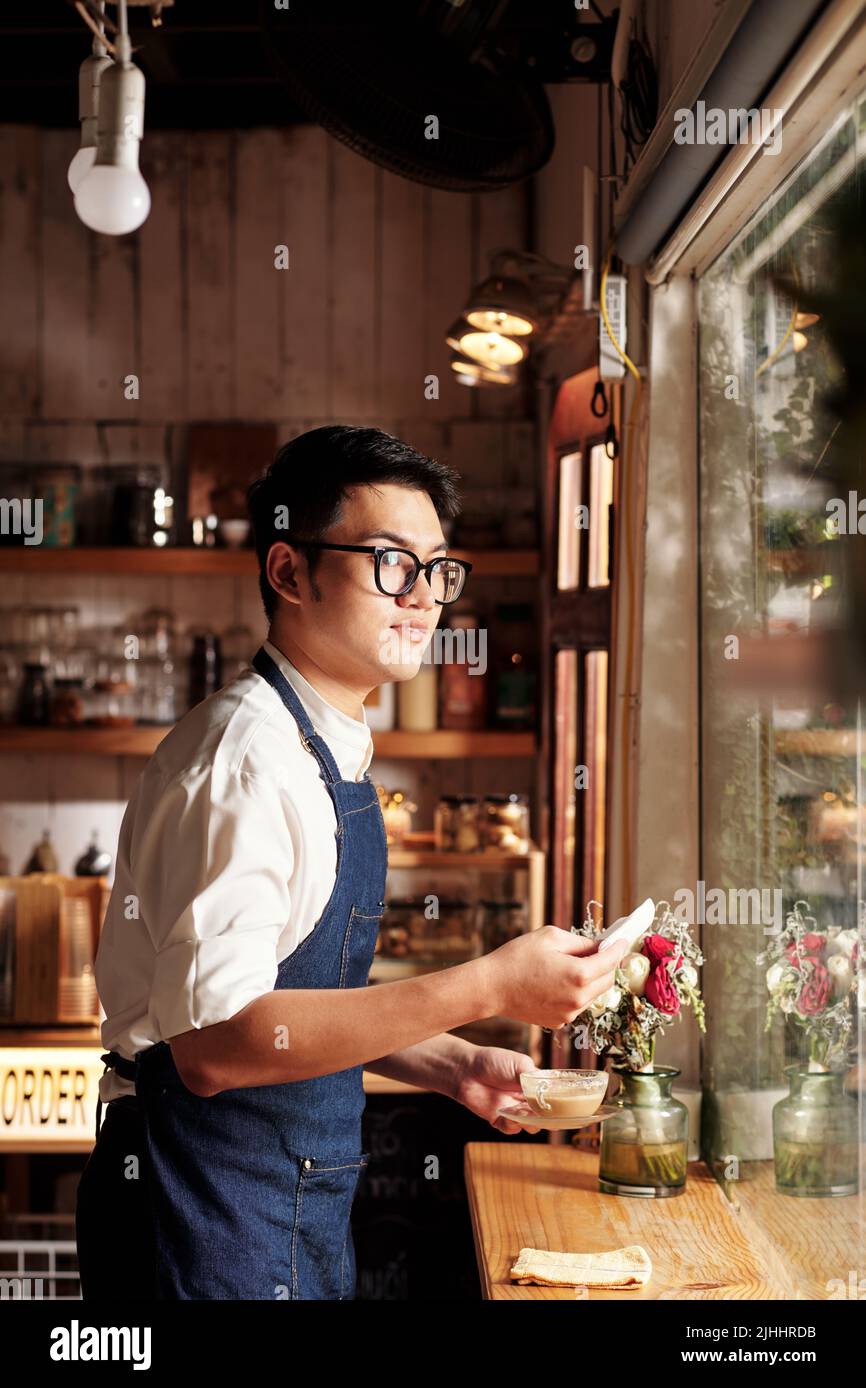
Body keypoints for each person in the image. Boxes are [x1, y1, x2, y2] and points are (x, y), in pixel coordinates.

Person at [75, 425, 626, 1300]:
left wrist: (453, 1066)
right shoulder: (248, 759)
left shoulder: (324, 743)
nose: (423, 599)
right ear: (290, 572)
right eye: (390, 564)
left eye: (437, 569)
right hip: (197, 1204)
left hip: (278, 1204)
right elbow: (216, 1046)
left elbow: (301, 1011)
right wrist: (488, 986)